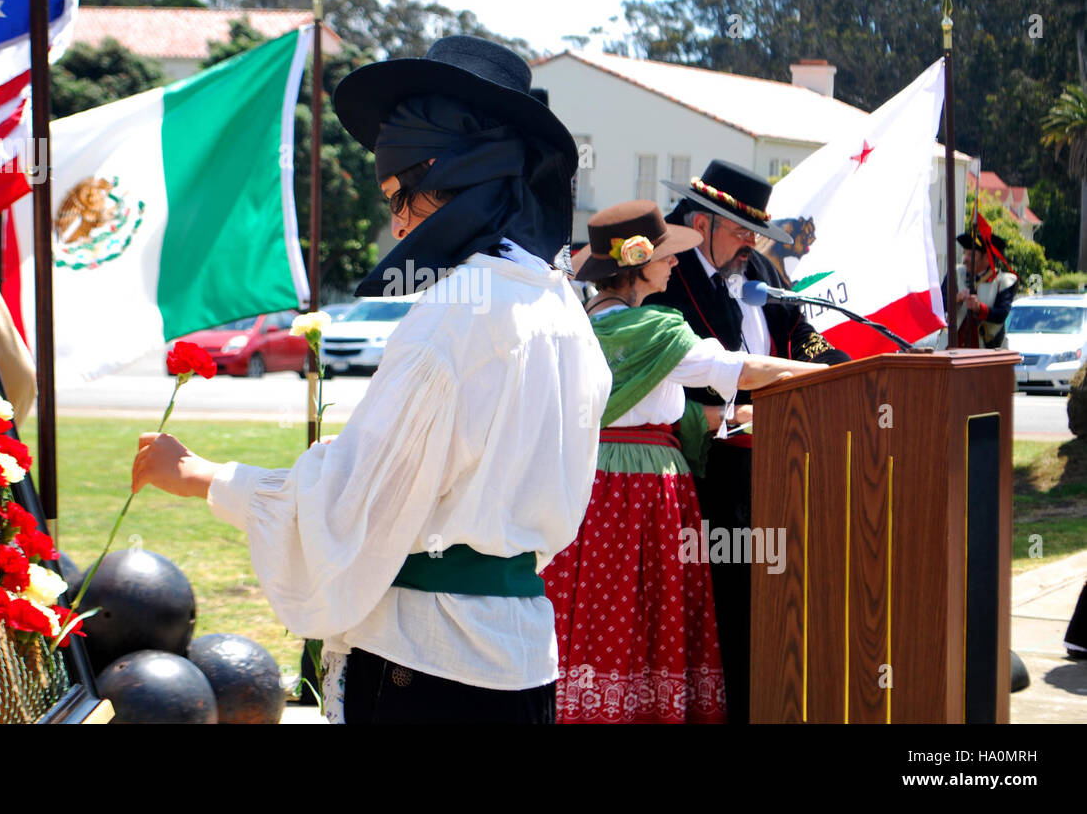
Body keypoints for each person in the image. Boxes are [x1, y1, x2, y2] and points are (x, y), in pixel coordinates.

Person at [131, 36, 611, 724]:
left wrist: (207, 476)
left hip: (428, 663)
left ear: (460, 177)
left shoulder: (455, 312)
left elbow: (355, 506)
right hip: (524, 661)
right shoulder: (564, 308)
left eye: (402, 197)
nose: (395, 224)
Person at [545, 200, 826, 723]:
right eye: (666, 256)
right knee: (643, 615)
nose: (675, 264)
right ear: (636, 263)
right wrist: (821, 376)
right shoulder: (655, 330)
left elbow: (669, 412)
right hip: (638, 498)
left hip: (587, 492)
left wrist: (740, 417)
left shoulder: (580, 322)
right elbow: (739, 368)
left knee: (600, 617)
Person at [643, 159, 851, 722]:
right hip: (703, 481)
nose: (750, 245)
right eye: (740, 232)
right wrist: (717, 419)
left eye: (756, 234)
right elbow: (652, 382)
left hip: (775, 478)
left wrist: (852, 369)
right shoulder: (665, 276)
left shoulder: (759, 268)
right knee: (721, 615)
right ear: (701, 221)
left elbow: (802, 337)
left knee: (771, 616)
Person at [954, 229, 1018, 349]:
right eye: (965, 254)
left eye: (972, 255)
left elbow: (1001, 314)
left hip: (986, 352)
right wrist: (956, 298)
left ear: (988, 259)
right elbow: (939, 303)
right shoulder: (956, 274)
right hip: (953, 348)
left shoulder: (1004, 281)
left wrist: (979, 308)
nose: (966, 259)